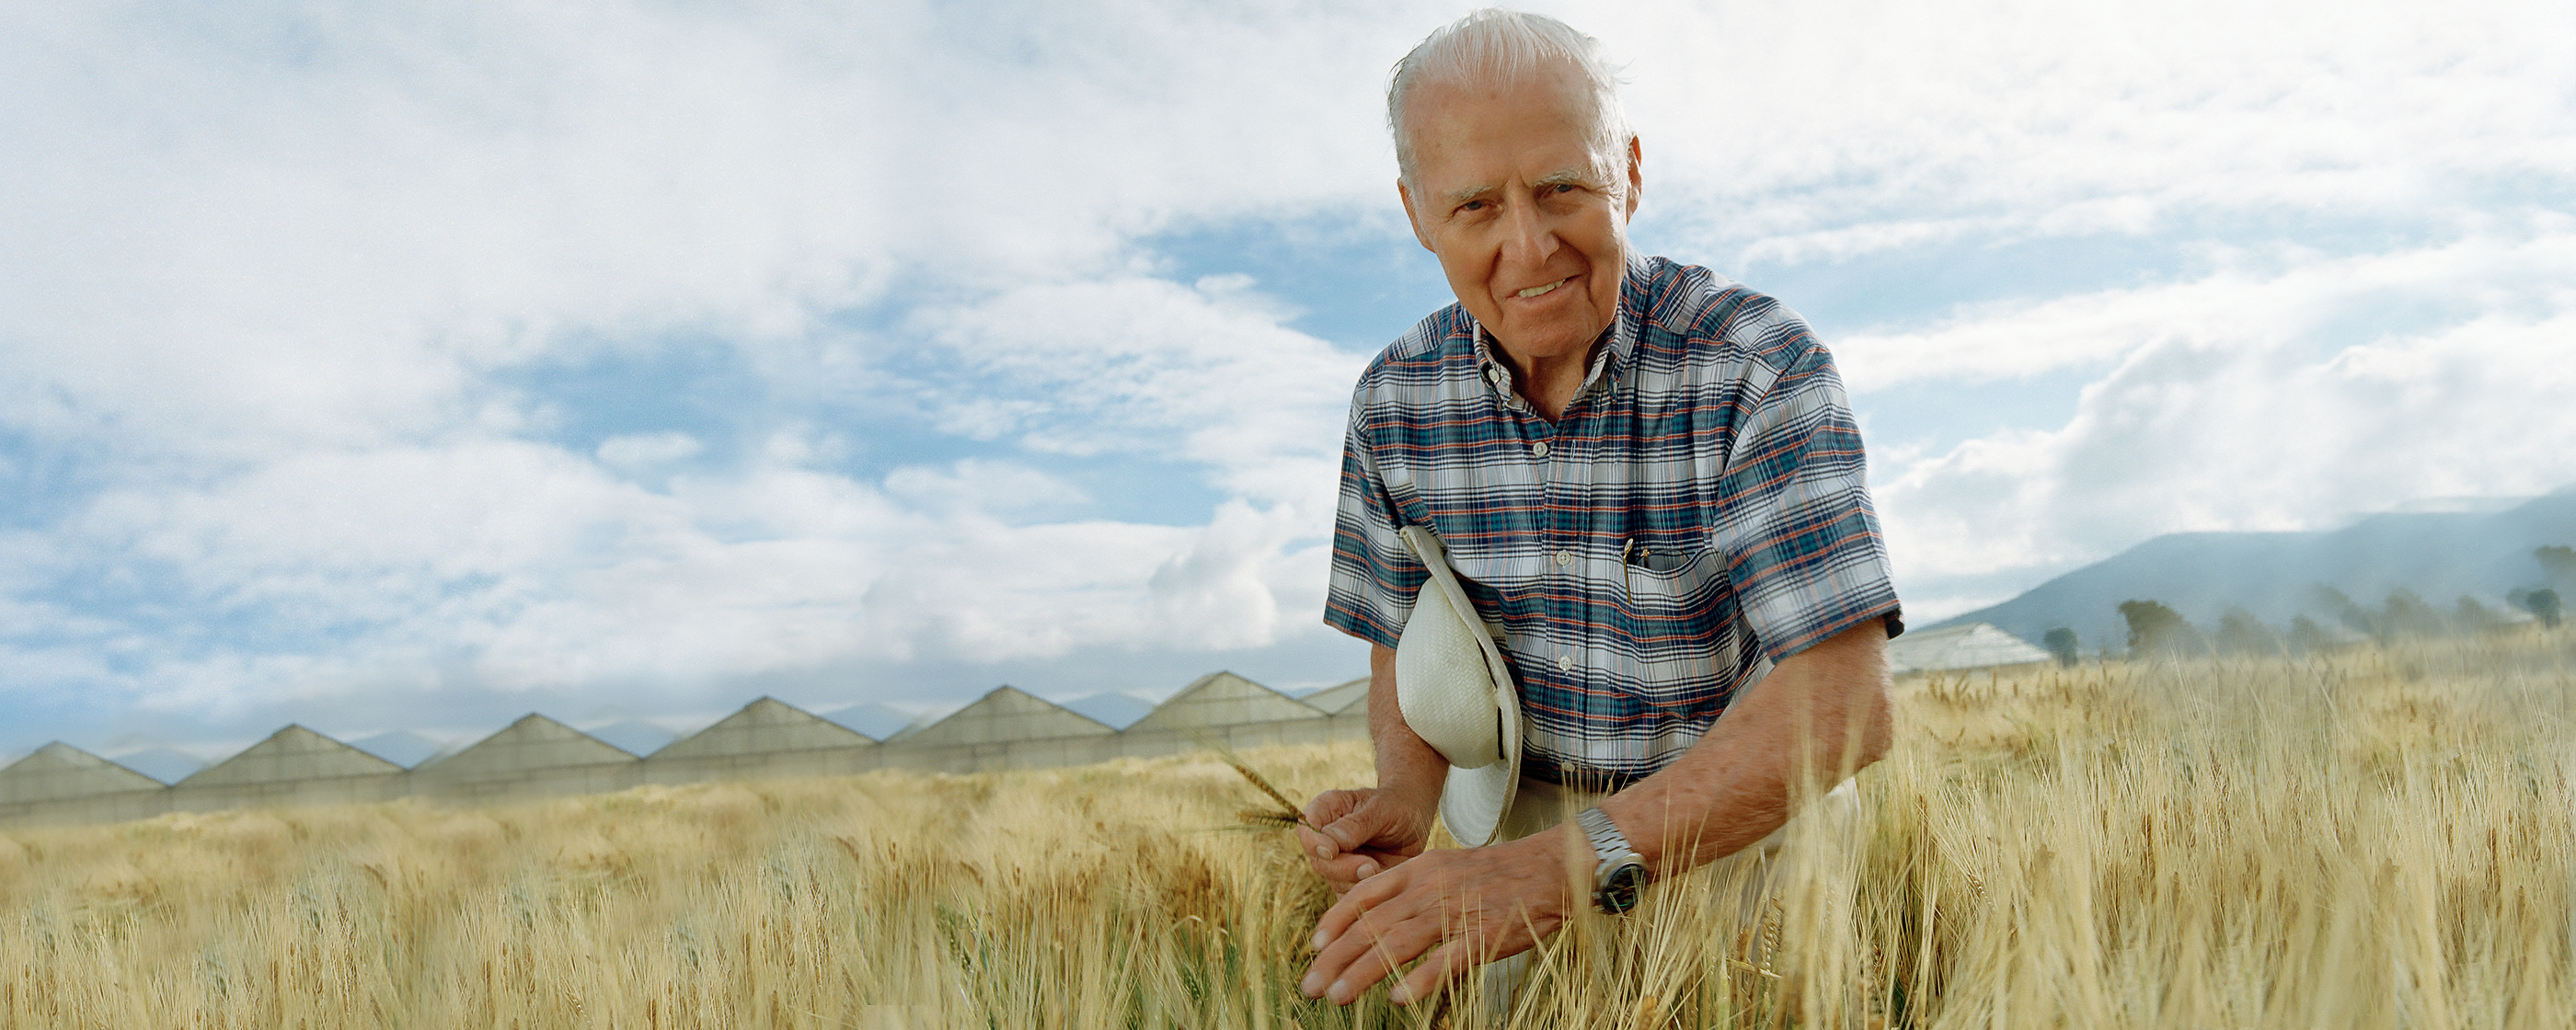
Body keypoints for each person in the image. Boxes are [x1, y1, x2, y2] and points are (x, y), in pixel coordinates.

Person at [1294, 9, 1904, 1010]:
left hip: (1746, 849)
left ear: (1628, 170)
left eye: (1561, 189)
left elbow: (1846, 705)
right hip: (1507, 874)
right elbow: (1402, 639)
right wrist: (1405, 796)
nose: (1530, 246)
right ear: (1417, 215)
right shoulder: (1392, 402)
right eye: (1475, 206)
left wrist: (1558, 870)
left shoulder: (1755, 366)